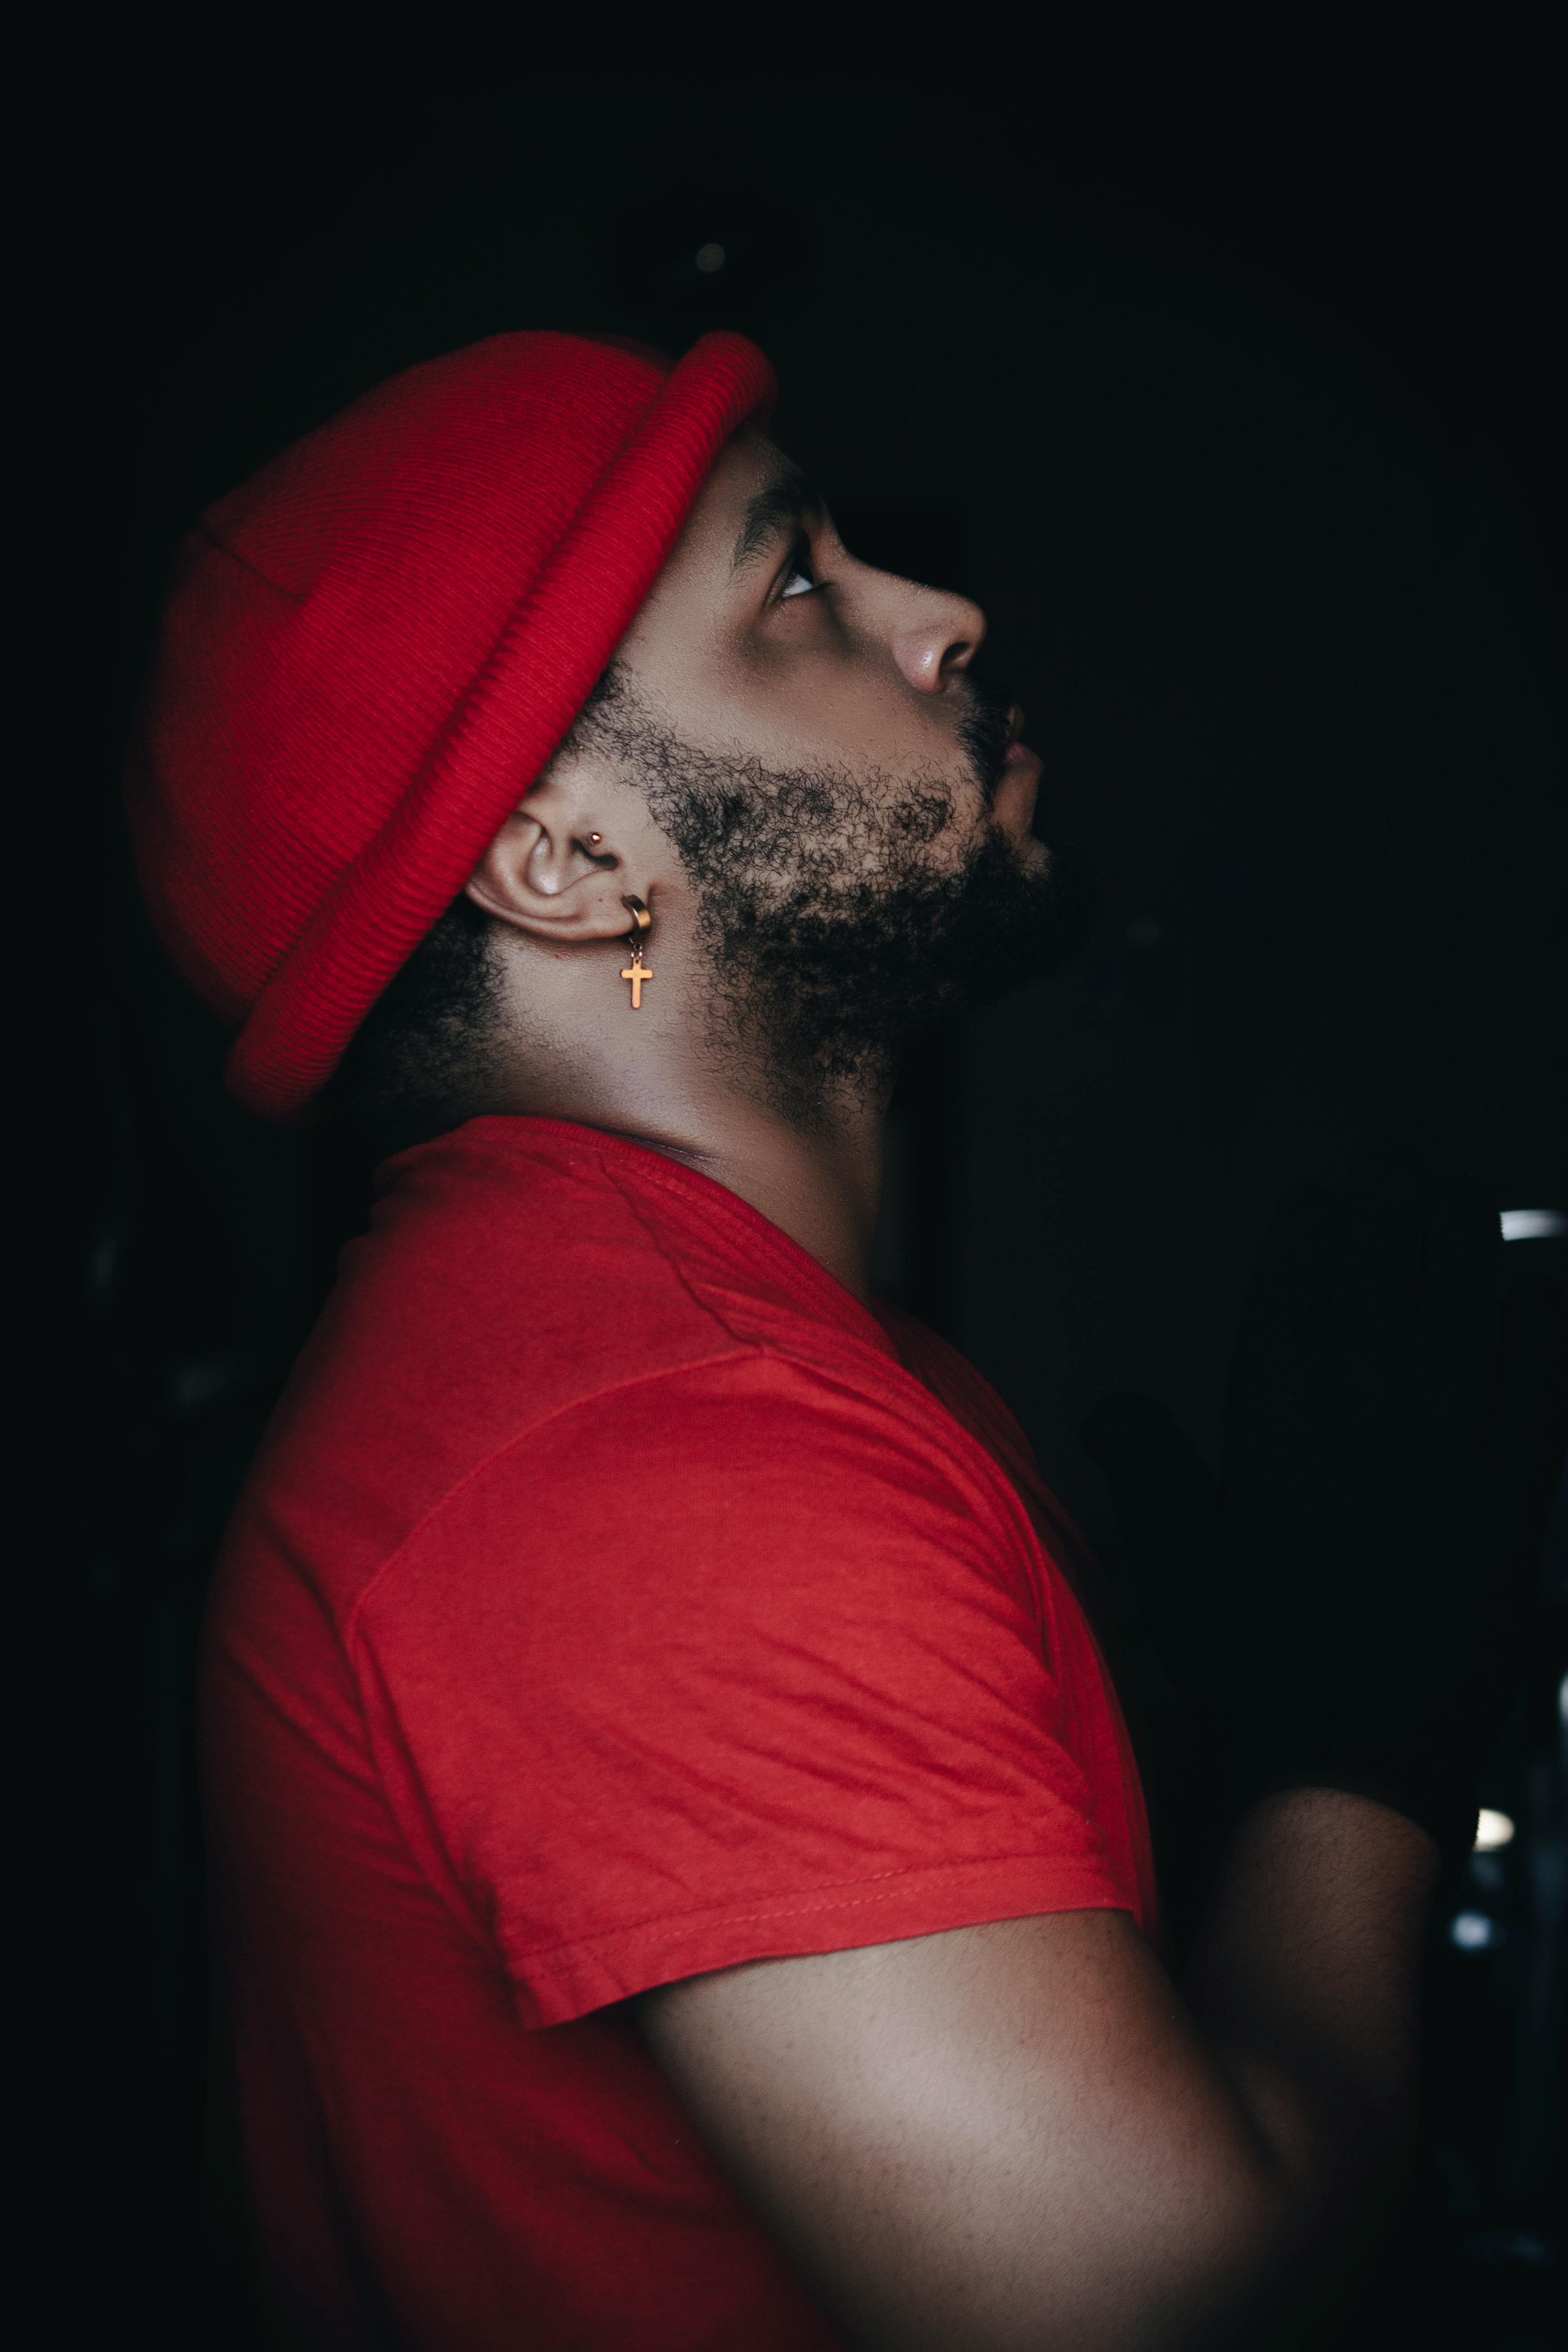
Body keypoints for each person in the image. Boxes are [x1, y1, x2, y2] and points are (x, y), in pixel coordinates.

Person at [129, 328, 1567, 2349]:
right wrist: (1356, 1780)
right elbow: (1137, 2300)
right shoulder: (650, 1432)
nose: (941, 612)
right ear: (568, 864)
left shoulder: (690, 1351)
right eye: (793, 581)